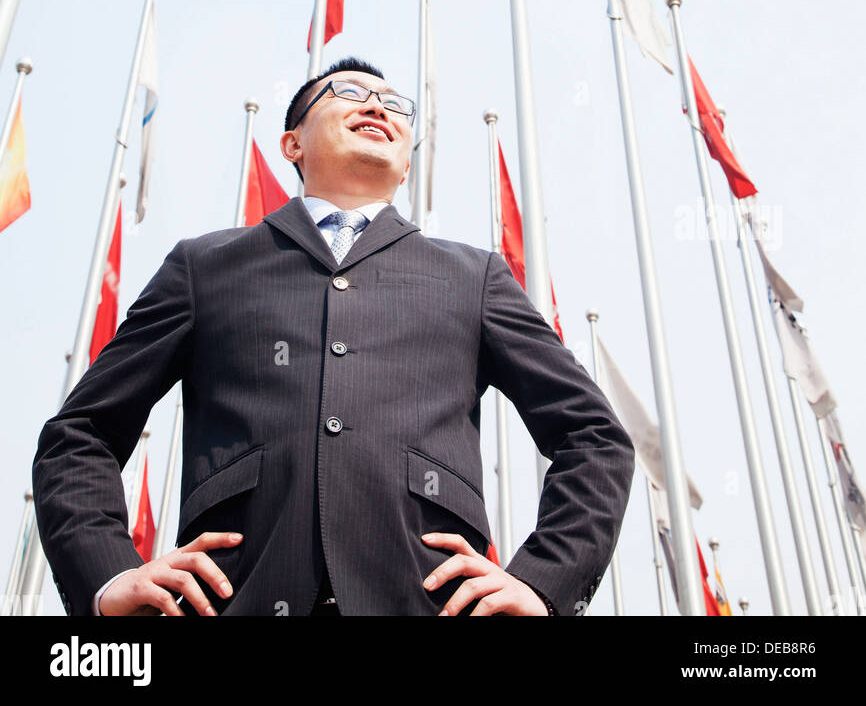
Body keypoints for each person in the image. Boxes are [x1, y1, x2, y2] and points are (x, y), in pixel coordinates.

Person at [32, 56, 634, 617]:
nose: (377, 105)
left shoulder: (473, 276)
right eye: (347, 93)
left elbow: (595, 438)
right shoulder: (205, 267)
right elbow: (80, 434)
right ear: (292, 143)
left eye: (395, 104)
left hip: (427, 600)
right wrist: (107, 575)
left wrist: (541, 581)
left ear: (406, 154)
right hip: (234, 596)